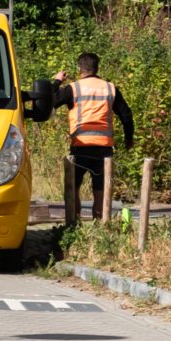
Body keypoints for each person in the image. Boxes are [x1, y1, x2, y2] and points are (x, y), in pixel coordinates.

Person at [62, 53, 133, 228]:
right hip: (103, 150)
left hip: (80, 147)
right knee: (100, 192)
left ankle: (73, 226)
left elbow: (51, 102)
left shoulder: (73, 88)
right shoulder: (110, 88)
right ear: (97, 68)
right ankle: (100, 228)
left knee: (73, 189)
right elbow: (126, 115)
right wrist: (128, 139)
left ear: (79, 69)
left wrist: (56, 83)